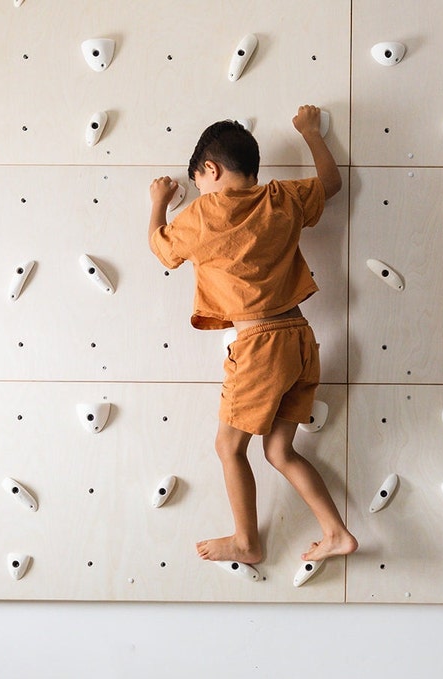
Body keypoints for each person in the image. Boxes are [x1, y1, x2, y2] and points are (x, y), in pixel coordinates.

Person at [147, 105, 358, 569]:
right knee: (280, 449)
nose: (199, 191)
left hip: (260, 345)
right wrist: (310, 133)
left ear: (210, 169)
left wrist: (159, 201)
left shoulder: (203, 214)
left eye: (198, 182)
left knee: (229, 447)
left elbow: (163, 248)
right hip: (301, 338)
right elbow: (331, 183)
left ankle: (248, 542)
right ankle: (336, 532)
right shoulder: (282, 198)